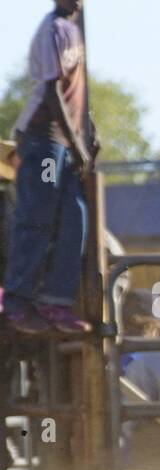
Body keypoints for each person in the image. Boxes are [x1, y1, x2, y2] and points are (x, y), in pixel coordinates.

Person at [1, 0, 95, 337]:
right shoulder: (52, 29)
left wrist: (84, 136)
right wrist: (77, 142)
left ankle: (55, 299)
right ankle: (17, 299)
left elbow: (75, 94)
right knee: (39, 211)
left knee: (75, 214)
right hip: (45, 140)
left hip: (63, 142)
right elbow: (54, 91)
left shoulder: (74, 31)